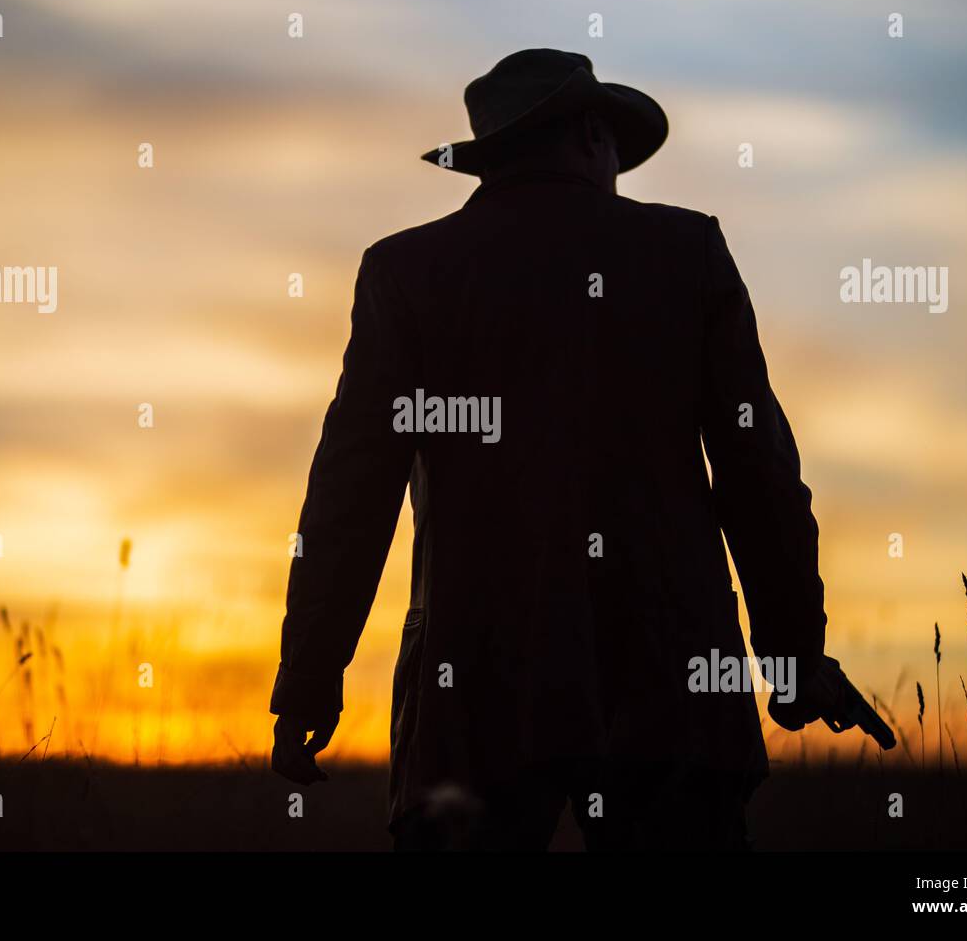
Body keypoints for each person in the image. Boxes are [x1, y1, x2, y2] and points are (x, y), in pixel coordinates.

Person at [269, 48, 830, 850]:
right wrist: (795, 652)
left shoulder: (407, 271)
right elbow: (759, 472)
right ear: (595, 138)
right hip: (668, 677)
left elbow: (349, 498)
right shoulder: (686, 252)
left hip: (473, 685)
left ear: (489, 163)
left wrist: (309, 683)